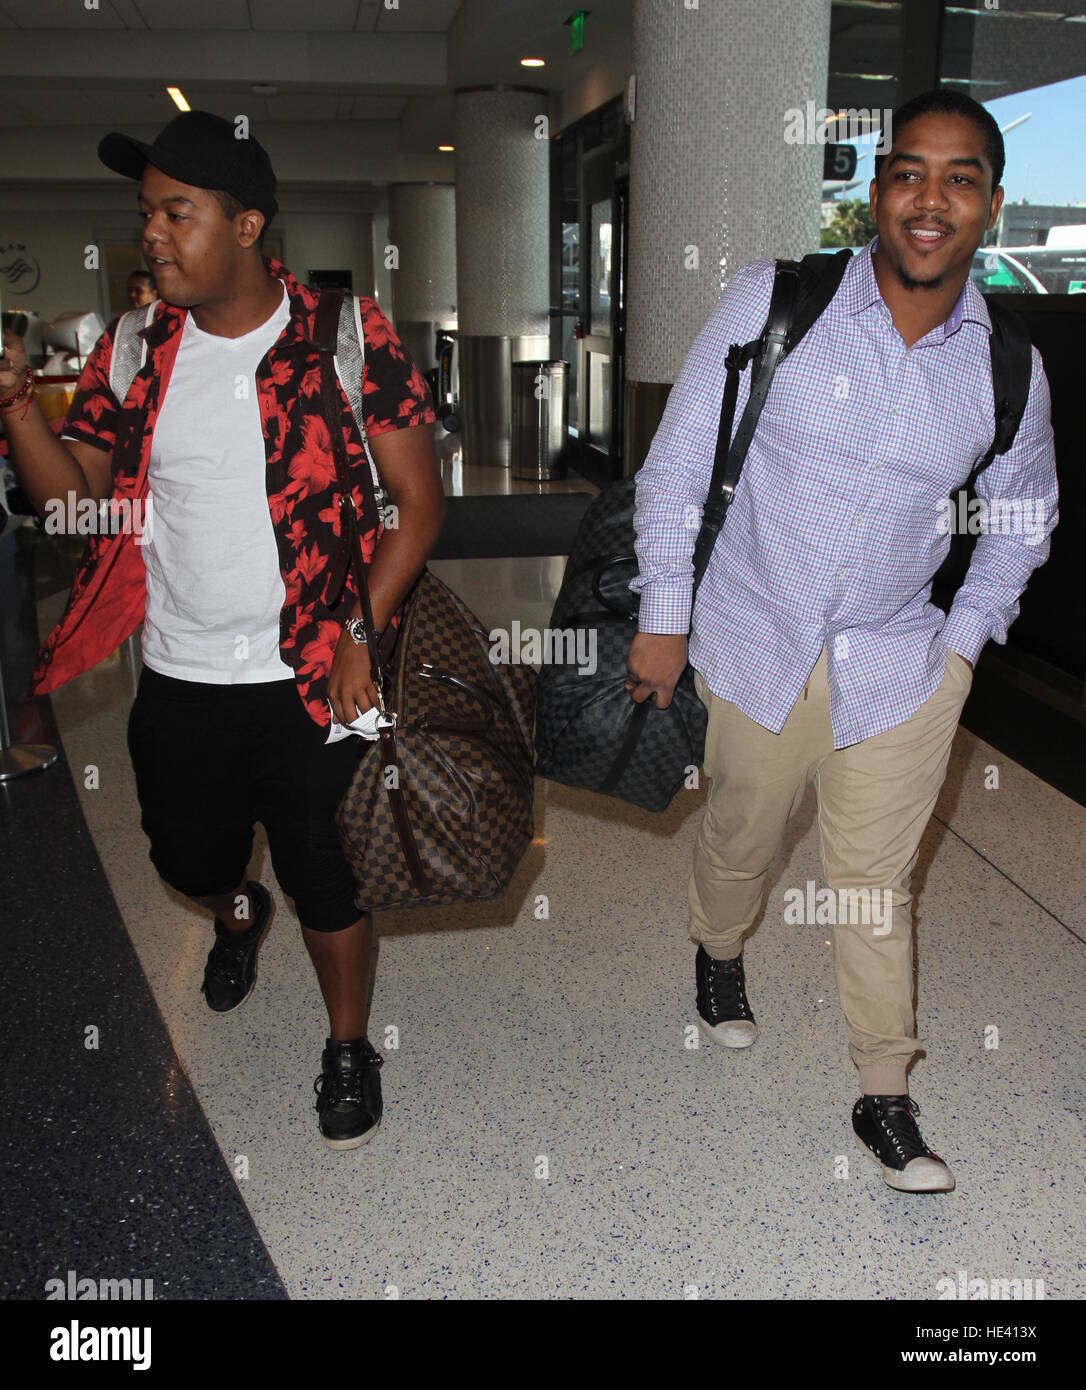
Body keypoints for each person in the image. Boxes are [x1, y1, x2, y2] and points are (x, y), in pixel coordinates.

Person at [625, 89, 1058, 1193]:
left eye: (961, 179)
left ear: (991, 206)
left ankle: (886, 1092)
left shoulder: (1006, 369)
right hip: (751, 637)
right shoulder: (775, 304)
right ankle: (717, 951)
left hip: (898, 666)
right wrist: (664, 616)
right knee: (743, 836)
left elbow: (1022, 517)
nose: (932, 199)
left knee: (874, 886)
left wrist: (961, 647)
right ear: (876, 192)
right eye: (910, 172)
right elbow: (675, 468)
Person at [0, 111, 443, 1151]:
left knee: (328, 872)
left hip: (313, 671)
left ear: (246, 224)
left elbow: (415, 506)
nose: (152, 233)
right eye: (146, 212)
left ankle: (346, 1043)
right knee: (185, 859)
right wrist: (19, 410)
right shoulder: (137, 348)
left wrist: (354, 629)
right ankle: (238, 914)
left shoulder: (347, 333)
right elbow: (78, 510)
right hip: (181, 670)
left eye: (176, 212)